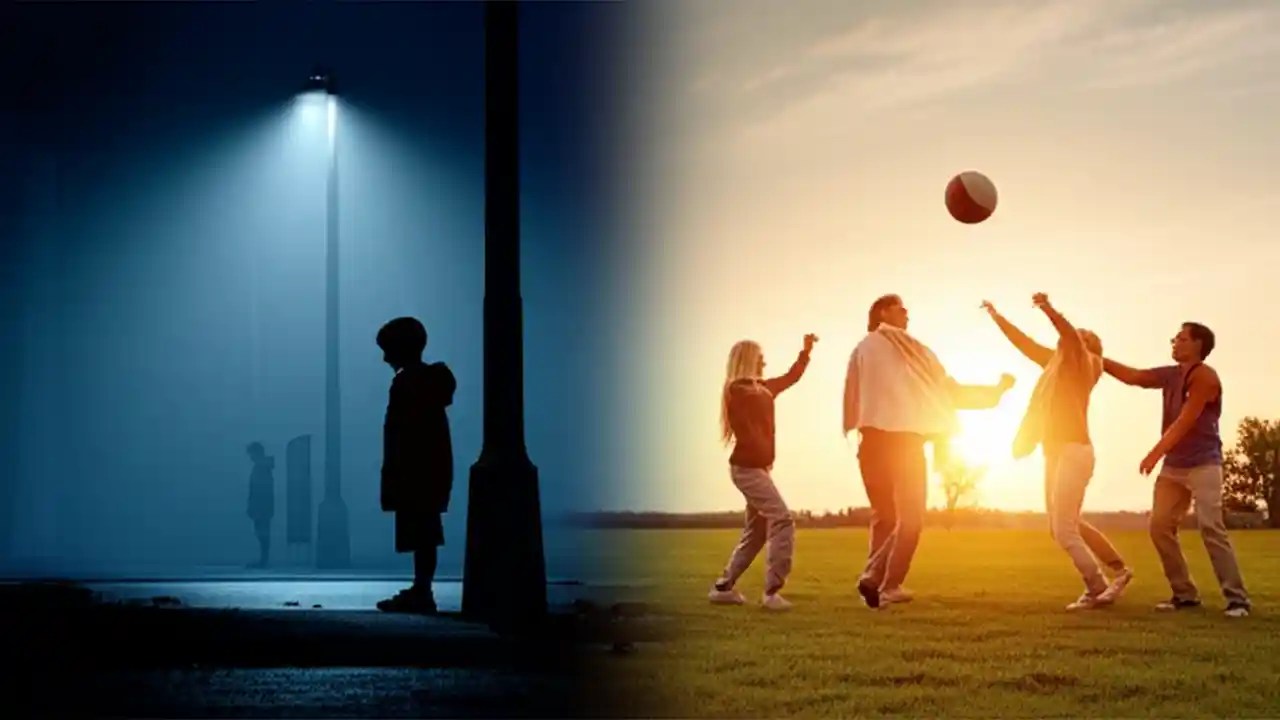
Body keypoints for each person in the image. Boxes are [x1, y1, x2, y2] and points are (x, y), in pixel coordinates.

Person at [843, 294, 1014, 609]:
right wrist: (996, 392)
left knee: (885, 517)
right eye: (901, 308)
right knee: (909, 519)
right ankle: (885, 582)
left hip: (869, 443)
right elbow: (948, 392)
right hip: (904, 443)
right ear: (883, 312)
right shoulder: (914, 353)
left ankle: (876, 583)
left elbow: (853, 396)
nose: (907, 314)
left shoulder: (861, 349)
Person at [984, 294, 1133, 611]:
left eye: (1084, 338)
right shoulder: (1056, 364)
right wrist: (996, 316)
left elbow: (1068, 335)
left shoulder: (1085, 363)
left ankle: (1096, 588)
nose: (1077, 339)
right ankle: (1119, 570)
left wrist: (1048, 308)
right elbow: (1023, 343)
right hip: (1055, 452)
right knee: (1064, 525)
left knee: (1063, 530)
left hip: (1073, 451)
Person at [1102, 322, 1251, 618]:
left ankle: (1237, 600)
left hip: (1204, 463)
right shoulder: (1170, 375)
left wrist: (1154, 453)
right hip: (1174, 466)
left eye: (1181, 338)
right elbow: (1134, 376)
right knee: (1159, 526)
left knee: (1211, 526)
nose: (1174, 341)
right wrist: (1097, 357)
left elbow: (1185, 420)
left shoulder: (1205, 378)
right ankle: (1184, 595)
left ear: (1197, 345)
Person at [708, 333, 816, 612]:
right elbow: (754, 397)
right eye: (760, 356)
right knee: (782, 519)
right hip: (746, 469)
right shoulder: (737, 390)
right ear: (747, 359)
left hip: (759, 469)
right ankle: (772, 593)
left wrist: (805, 353)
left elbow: (791, 377)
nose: (765, 361)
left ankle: (723, 587)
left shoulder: (763, 388)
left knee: (756, 533)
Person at [375, 316, 457, 615]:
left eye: (387, 350)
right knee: (426, 532)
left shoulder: (405, 383)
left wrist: (393, 472)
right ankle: (422, 587)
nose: (384, 357)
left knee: (421, 531)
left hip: (414, 471)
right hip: (432, 469)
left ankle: (422, 591)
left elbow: (401, 433)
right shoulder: (429, 382)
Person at [245, 442, 275, 568]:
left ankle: (264, 560)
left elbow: (258, 489)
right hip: (264, 506)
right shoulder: (264, 467)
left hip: (261, 506)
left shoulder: (260, 468)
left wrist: (253, 505)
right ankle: (264, 559)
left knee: (262, 532)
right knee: (262, 532)